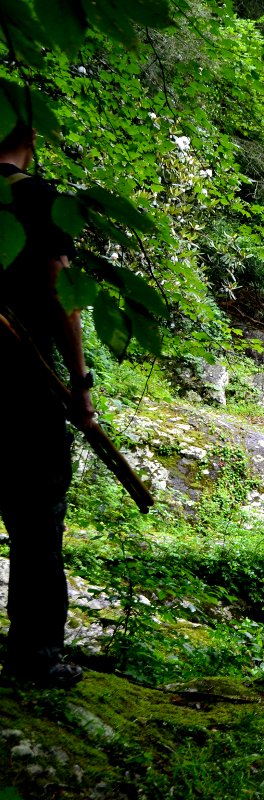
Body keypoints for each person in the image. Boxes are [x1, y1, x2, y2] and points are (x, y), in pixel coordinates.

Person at [0, 122, 97, 688]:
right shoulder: (40, 199)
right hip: (21, 388)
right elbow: (61, 292)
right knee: (37, 523)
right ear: (29, 134)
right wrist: (81, 387)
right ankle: (34, 654)